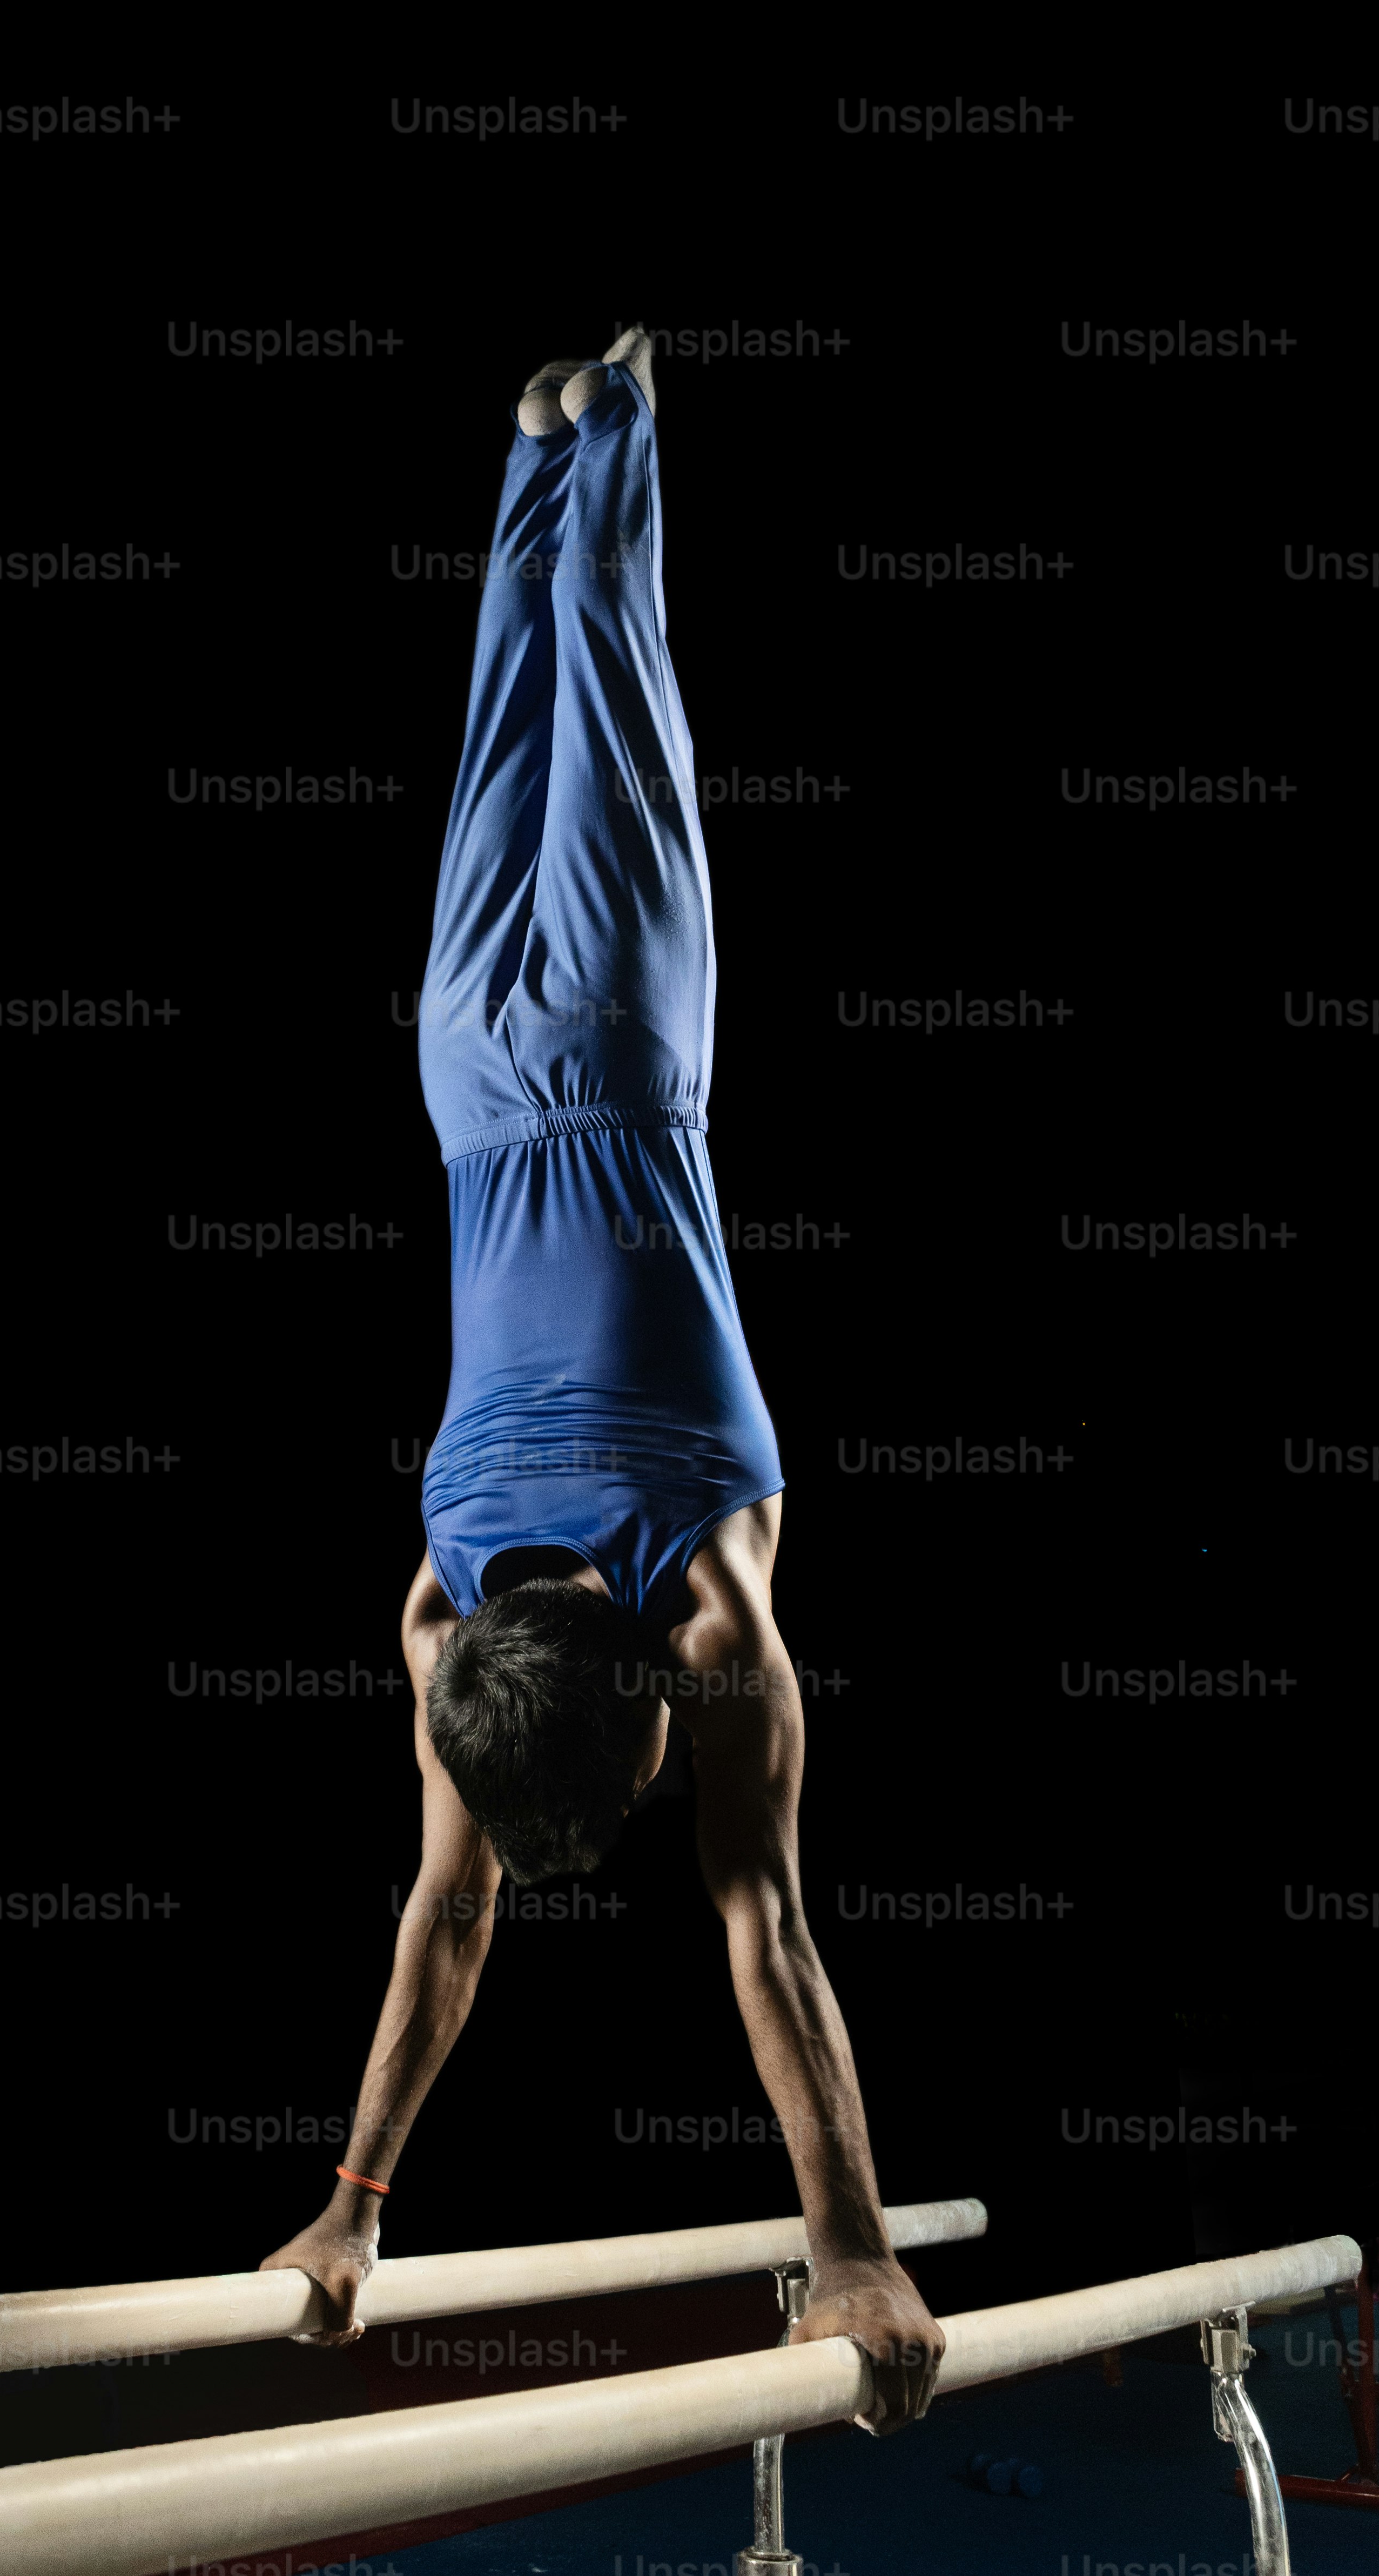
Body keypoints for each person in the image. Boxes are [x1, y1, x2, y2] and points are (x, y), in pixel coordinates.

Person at [260, 329, 943, 2433]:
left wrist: (850, 2246)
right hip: (461, 1081)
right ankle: (535, 451)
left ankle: (619, 424)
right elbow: (445, 1911)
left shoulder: (717, 1614)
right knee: (506, 724)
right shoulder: (441, 1624)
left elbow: (767, 1934)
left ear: (657, 1690)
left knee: (616, 703)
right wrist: (347, 2208)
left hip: (624, 1052)